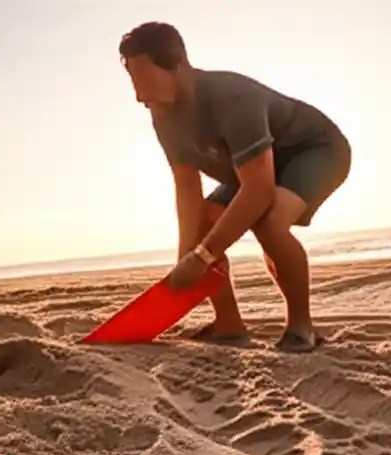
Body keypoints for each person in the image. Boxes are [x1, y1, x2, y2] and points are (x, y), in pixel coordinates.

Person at [119, 21, 351, 352]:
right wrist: (187, 253)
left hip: (314, 149)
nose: (139, 95)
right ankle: (229, 325)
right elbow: (187, 188)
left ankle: (302, 326)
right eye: (132, 82)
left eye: (142, 79)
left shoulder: (231, 97)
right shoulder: (162, 115)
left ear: (178, 64)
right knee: (206, 221)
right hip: (251, 168)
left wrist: (202, 257)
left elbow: (258, 191)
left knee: (268, 221)